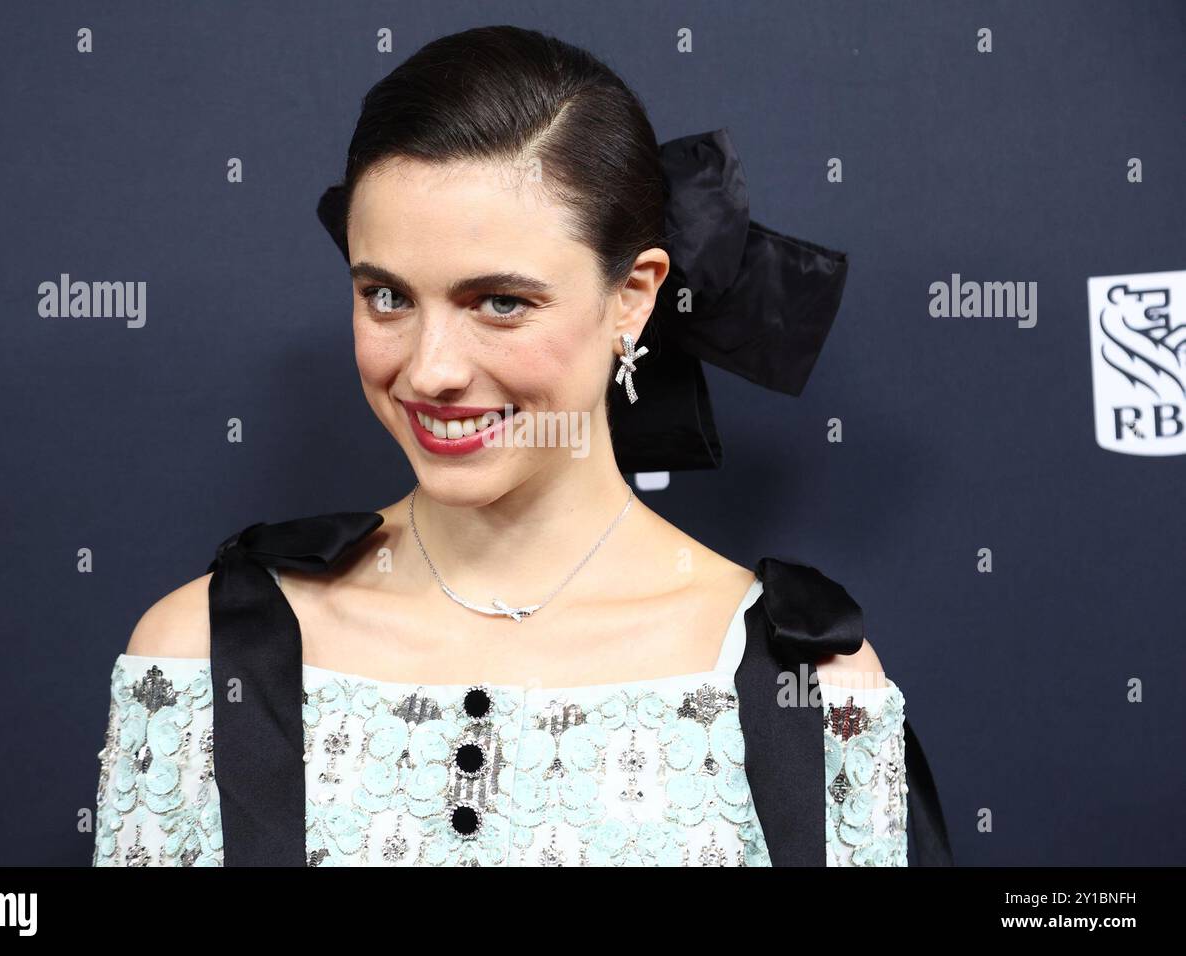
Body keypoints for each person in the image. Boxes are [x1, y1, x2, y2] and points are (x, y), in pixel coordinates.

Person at [92, 25, 952, 867]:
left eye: (500, 302)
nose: (430, 371)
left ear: (634, 298)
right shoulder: (204, 654)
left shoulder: (800, 682)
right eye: (387, 296)